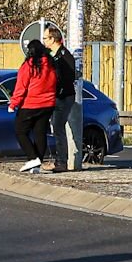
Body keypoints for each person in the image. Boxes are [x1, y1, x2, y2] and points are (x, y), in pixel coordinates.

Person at [8, 38, 58, 173]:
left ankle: (32, 157)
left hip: (30, 104)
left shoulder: (29, 66)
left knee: (20, 131)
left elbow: (21, 87)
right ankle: (37, 164)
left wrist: (13, 104)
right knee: (40, 133)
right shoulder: (51, 64)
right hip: (48, 104)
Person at [44, 23, 81, 171]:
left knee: (58, 127)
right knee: (56, 126)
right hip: (59, 96)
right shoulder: (55, 55)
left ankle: (61, 162)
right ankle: (60, 160)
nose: (44, 41)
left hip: (64, 96)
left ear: (53, 39)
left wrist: (56, 88)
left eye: (46, 38)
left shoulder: (64, 56)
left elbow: (67, 77)